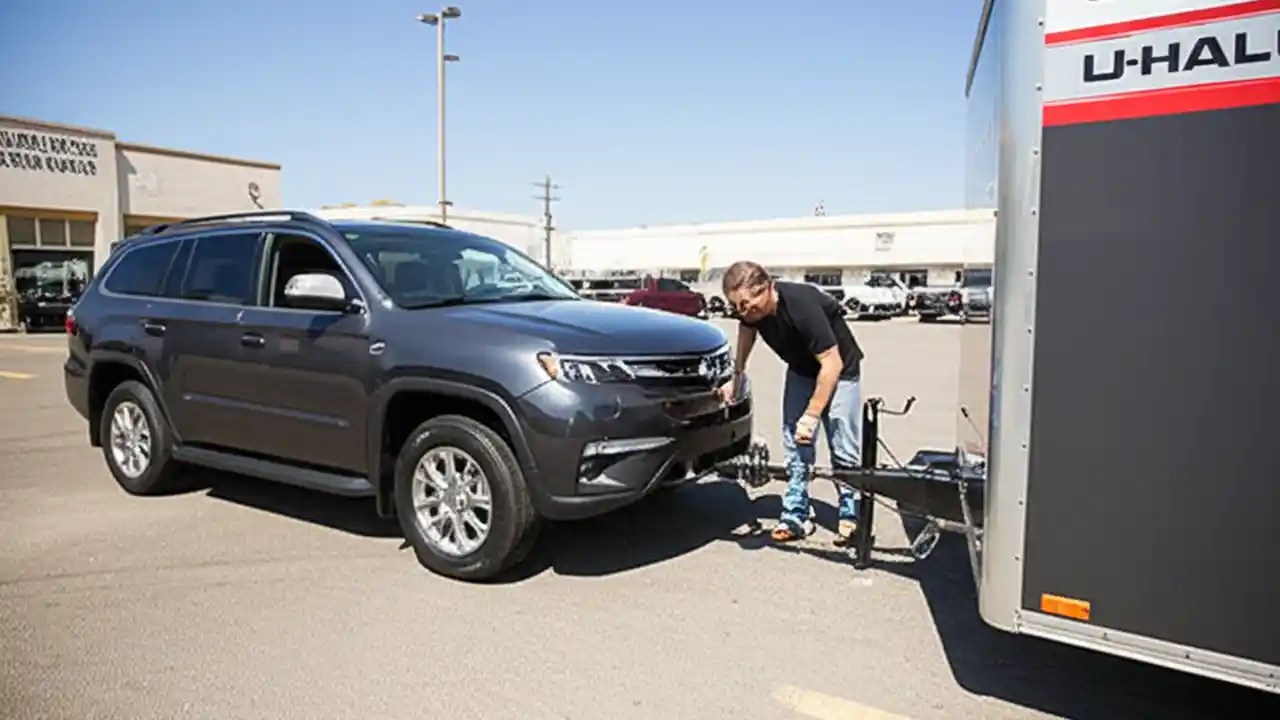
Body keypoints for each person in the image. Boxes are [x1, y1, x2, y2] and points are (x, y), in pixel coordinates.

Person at [718, 261, 865, 543]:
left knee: (842, 444)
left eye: (748, 304)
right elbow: (747, 330)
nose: (744, 312)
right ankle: (796, 515)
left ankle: (851, 514)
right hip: (800, 369)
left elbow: (831, 364)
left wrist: (811, 415)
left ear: (768, 288)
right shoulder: (748, 312)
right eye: (736, 307)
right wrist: (736, 376)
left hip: (839, 370)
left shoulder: (801, 307)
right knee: (795, 444)